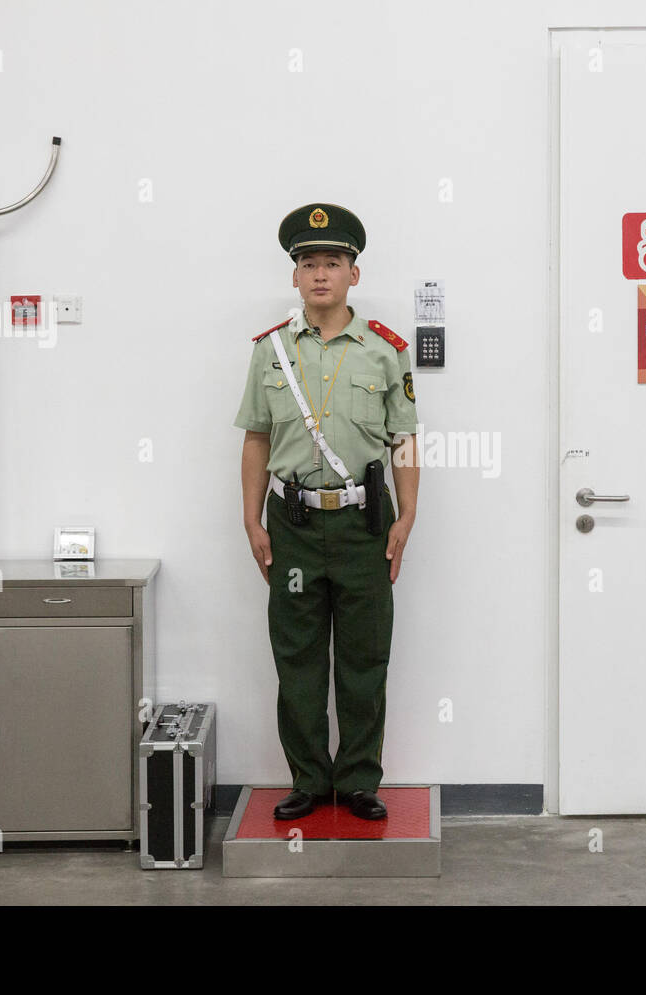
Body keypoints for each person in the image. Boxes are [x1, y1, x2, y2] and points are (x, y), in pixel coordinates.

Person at [233, 203, 420, 820]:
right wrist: (252, 519)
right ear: (295, 276)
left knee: (366, 656)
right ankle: (310, 781)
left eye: (333, 263)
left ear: (353, 275)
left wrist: (406, 516)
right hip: (295, 523)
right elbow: (256, 437)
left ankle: (360, 780)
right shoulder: (272, 352)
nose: (320, 274)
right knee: (299, 657)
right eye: (309, 264)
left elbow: (405, 440)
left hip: (365, 523)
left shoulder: (385, 351)